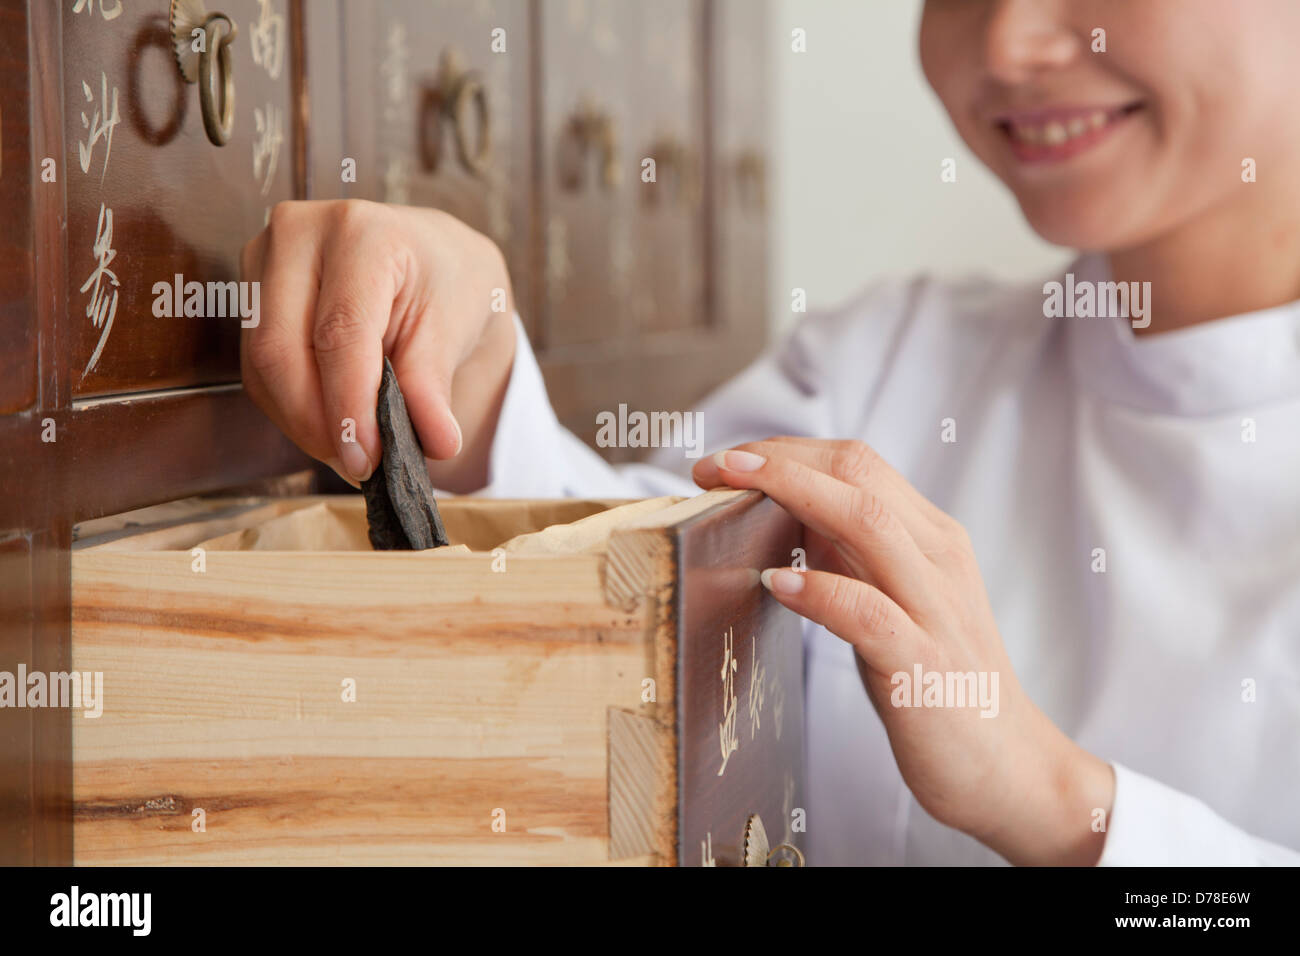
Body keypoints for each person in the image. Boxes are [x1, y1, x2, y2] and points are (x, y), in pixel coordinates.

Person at [239, 0, 1300, 864]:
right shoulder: (891, 357)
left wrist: (1056, 802)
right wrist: (468, 368)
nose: (1008, 43)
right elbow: (641, 563)